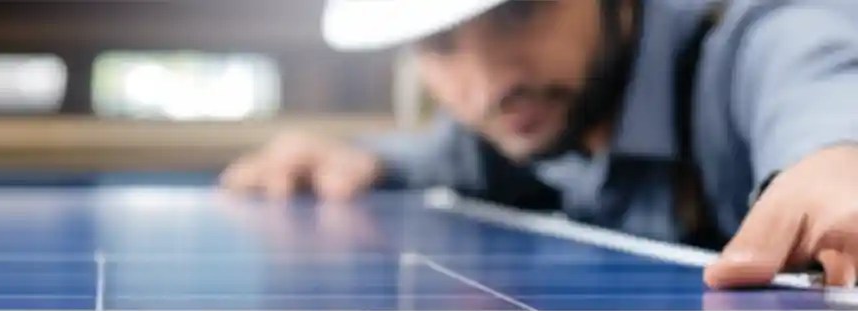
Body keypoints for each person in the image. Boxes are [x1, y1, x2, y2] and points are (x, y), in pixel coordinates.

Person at [220, 0, 858, 291]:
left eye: (518, 11)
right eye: (441, 47)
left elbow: (822, 90)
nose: (491, 82)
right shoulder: (523, 125)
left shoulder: (764, 38)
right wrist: (356, 157)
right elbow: (436, 157)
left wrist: (836, 163)